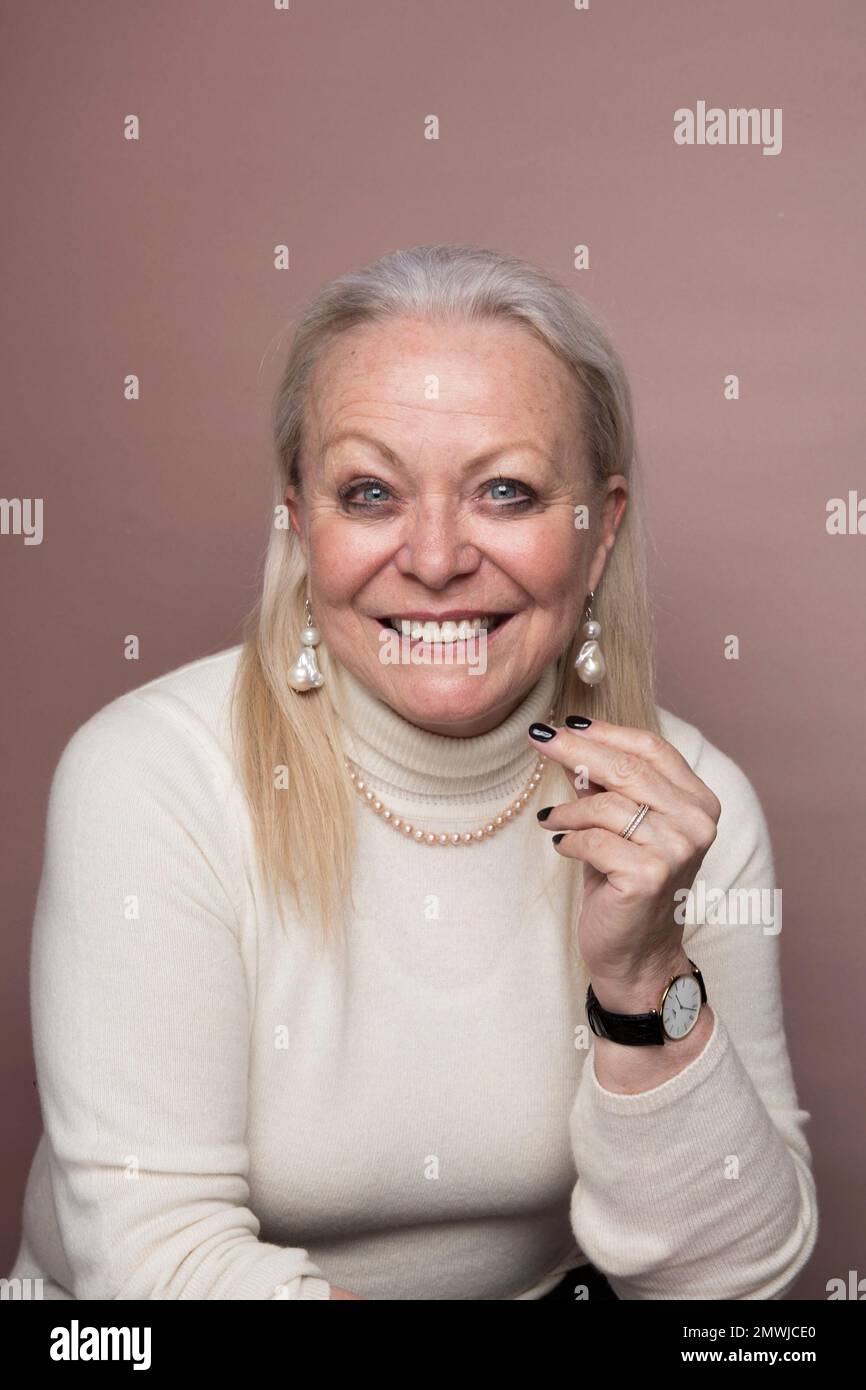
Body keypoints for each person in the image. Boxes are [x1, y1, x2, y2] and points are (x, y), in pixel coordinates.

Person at [8, 244, 817, 1300]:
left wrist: (641, 976)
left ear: (598, 527)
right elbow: (154, 1264)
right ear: (298, 518)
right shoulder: (149, 777)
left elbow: (736, 1287)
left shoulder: (684, 807)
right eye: (370, 492)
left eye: (506, 491)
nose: (434, 559)